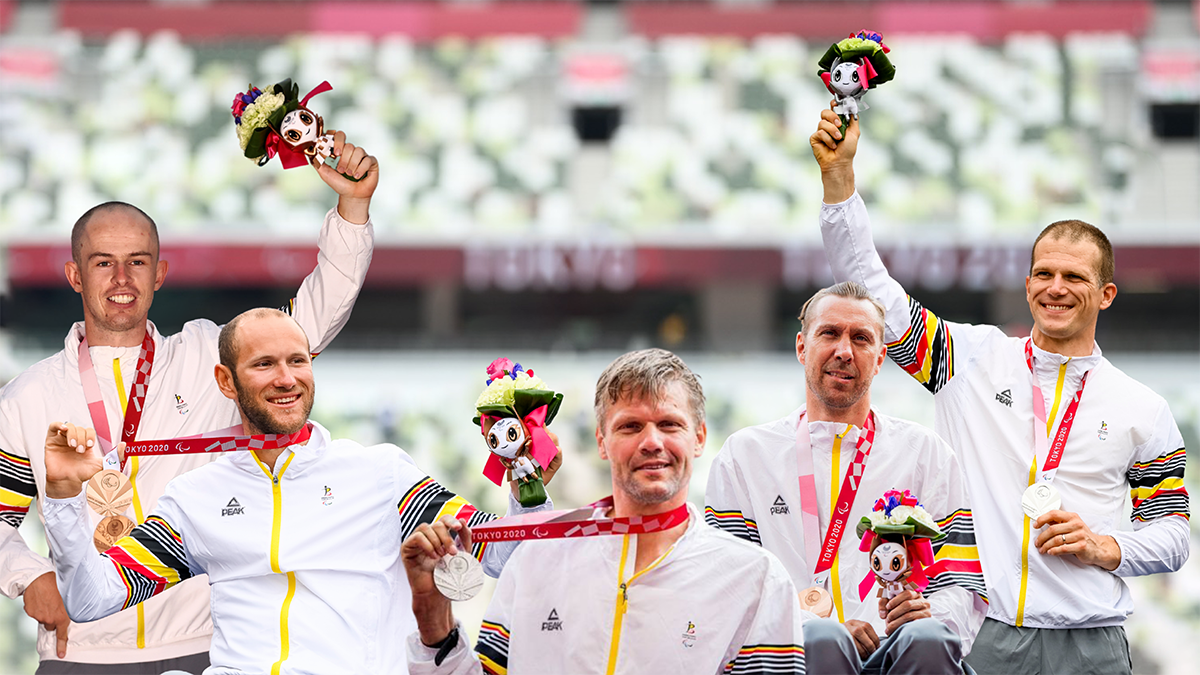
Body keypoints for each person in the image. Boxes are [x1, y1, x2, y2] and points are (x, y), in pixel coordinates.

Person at [810, 109, 1189, 675]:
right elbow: (873, 290)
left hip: (1093, 642)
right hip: (991, 638)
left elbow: (1172, 533)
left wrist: (1106, 547)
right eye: (1043, 274)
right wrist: (839, 181)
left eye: (1074, 278)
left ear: (1106, 294)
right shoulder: (968, 360)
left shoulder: (1142, 408)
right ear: (1029, 282)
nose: (1054, 289)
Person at [0, 133, 378, 673]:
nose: (122, 279)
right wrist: (29, 576)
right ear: (74, 275)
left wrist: (352, 210)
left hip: (202, 649)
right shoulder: (27, 397)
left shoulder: (208, 358)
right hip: (76, 654)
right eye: (103, 263)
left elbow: (309, 323)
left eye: (138, 261)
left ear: (160, 274)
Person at [40, 308, 554, 675]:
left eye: (299, 361)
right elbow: (92, 600)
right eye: (264, 364)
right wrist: (63, 497)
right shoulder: (195, 495)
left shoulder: (381, 474)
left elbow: (500, 555)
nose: (287, 379)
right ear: (226, 381)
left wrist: (526, 490)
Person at [402, 348, 807, 675]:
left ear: (699, 437)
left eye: (669, 424)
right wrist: (434, 622)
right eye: (630, 426)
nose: (651, 442)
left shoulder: (755, 579)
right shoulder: (534, 560)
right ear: (602, 440)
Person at [706, 281, 986, 675]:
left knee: (930, 638)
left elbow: (962, 583)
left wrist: (927, 613)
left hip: (898, 654)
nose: (844, 351)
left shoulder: (927, 453)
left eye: (861, 338)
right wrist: (817, 626)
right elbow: (730, 588)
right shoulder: (745, 455)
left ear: (880, 358)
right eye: (829, 334)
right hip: (793, 658)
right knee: (822, 641)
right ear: (802, 346)